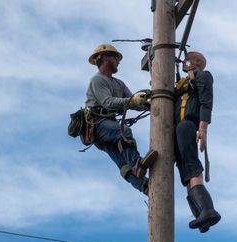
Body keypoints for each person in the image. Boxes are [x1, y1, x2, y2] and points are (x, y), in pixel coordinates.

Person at [85, 44, 157, 194]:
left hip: (107, 125)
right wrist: (132, 101)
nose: (119, 61)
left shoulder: (119, 84)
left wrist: (149, 105)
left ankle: (143, 186)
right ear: (105, 58)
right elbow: (107, 102)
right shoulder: (97, 80)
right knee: (124, 132)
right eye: (116, 57)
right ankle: (137, 164)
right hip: (97, 125)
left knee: (122, 162)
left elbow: (133, 102)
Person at [174, 51, 221, 232]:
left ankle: (207, 210)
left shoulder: (202, 76)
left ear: (197, 62)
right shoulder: (181, 83)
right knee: (186, 173)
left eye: (189, 60)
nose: (185, 63)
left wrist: (202, 129)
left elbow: (206, 102)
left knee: (192, 167)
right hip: (177, 130)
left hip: (187, 126)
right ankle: (201, 216)